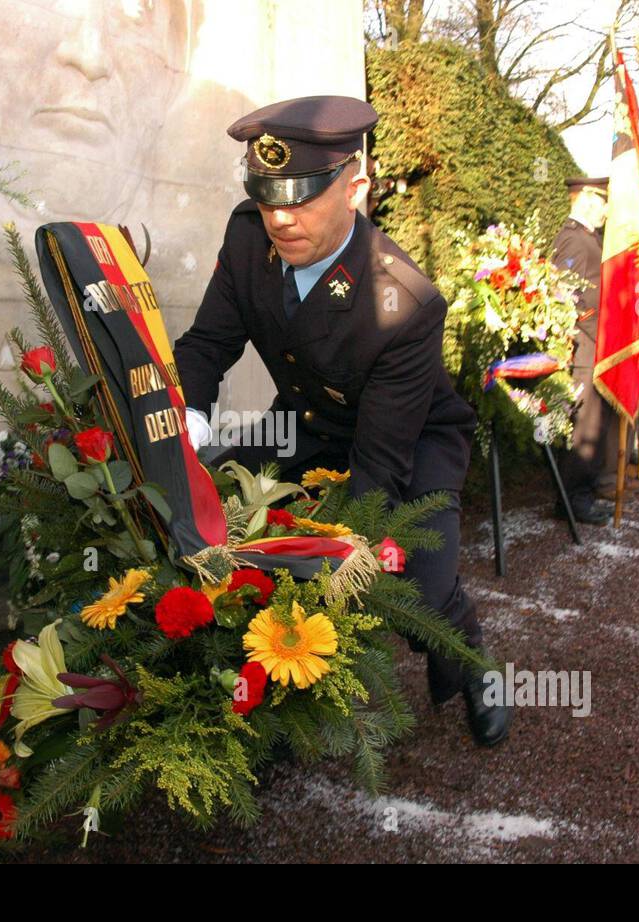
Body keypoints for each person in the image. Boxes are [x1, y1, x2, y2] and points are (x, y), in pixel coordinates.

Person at [173, 95, 512, 747]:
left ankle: (473, 665)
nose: (279, 217)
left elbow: (379, 466)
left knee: (415, 585)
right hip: (308, 425)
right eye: (266, 195)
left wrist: (336, 558)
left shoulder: (403, 302)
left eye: (300, 197)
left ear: (354, 188)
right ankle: (264, 705)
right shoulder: (249, 237)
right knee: (226, 515)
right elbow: (207, 345)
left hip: (410, 443)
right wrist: (188, 422)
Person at [550, 177, 615, 527]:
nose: (606, 210)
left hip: (594, 344)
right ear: (589, 200)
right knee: (584, 425)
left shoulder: (588, 238)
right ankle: (574, 500)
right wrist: (590, 328)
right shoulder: (575, 238)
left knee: (592, 422)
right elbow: (566, 294)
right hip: (586, 345)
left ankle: (581, 495)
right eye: (602, 202)